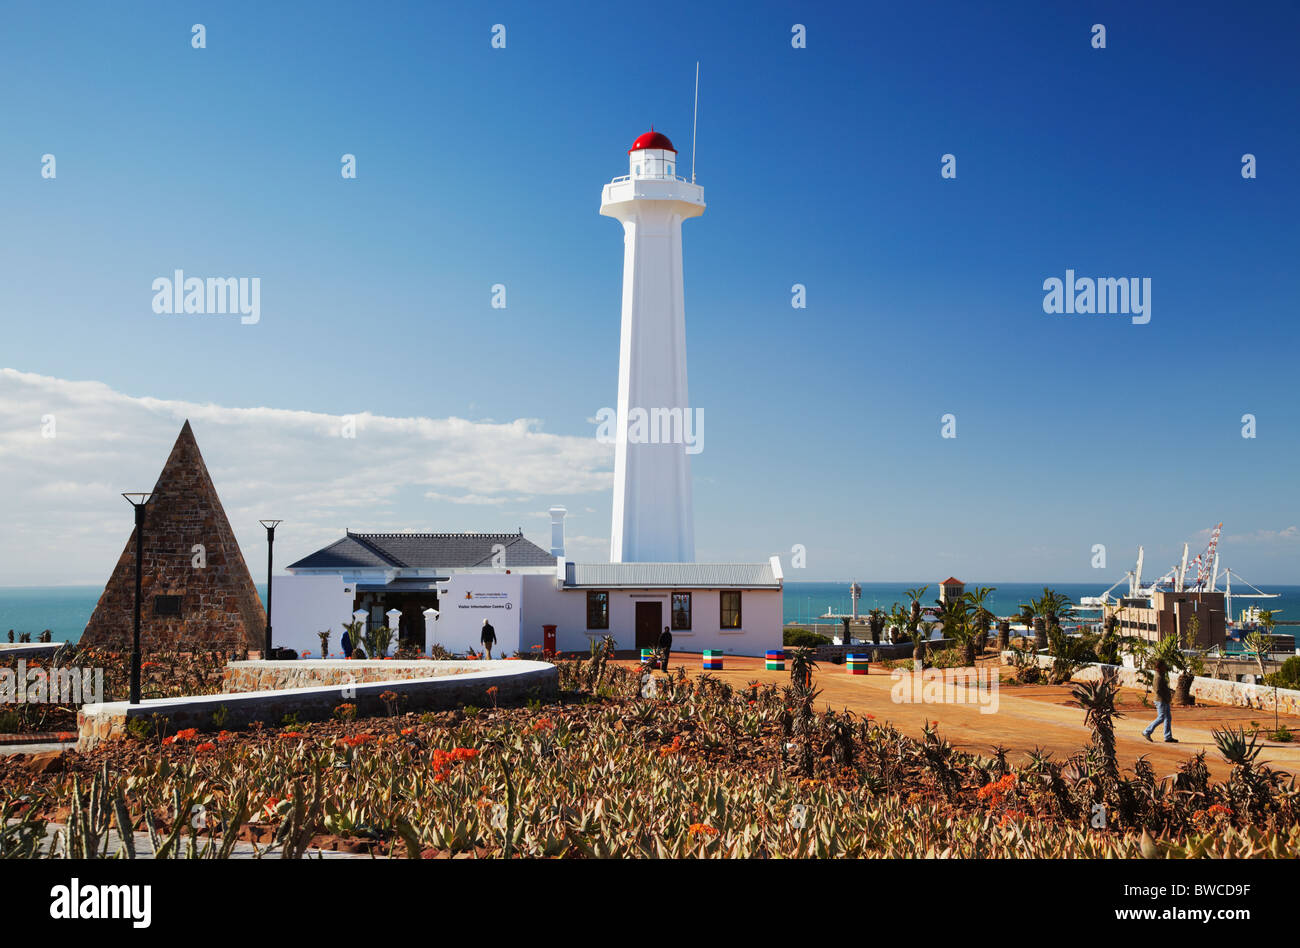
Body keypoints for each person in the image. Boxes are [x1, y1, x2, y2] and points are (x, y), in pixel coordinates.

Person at [1143, 658, 1178, 743]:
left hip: (1164, 700)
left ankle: (1168, 737)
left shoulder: (1161, 675)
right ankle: (1147, 731)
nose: (1165, 667)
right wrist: (1166, 697)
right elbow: (1157, 689)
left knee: (1167, 718)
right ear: (1159, 667)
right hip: (1161, 700)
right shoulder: (1158, 677)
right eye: (1164, 666)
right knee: (1161, 717)